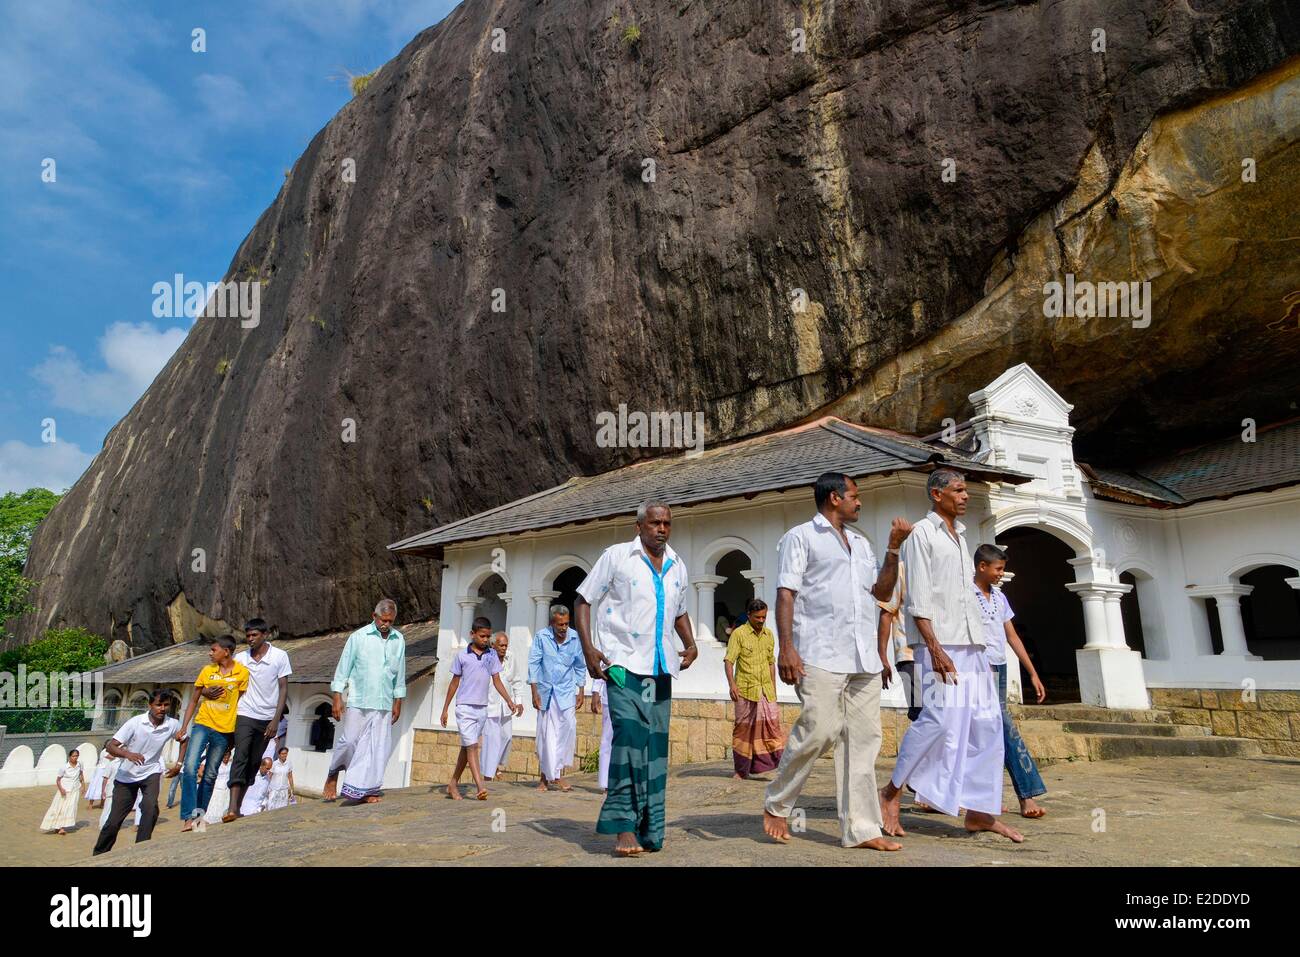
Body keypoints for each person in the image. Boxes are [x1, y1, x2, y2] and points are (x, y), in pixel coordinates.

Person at [761, 473, 908, 850]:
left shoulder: (861, 544)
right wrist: (786, 648)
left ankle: (862, 829)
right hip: (819, 652)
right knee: (819, 729)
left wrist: (893, 550)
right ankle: (778, 801)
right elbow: (786, 594)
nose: (859, 503)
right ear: (833, 498)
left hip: (862, 657)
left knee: (863, 742)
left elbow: (882, 593)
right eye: (854, 497)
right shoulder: (801, 537)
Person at [881, 469, 1022, 842]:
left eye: (965, 490)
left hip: (974, 644)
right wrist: (935, 648)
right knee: (939, 721)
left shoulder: (961, 537)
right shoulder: (921, 536)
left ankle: (979, 813)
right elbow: (919, 599)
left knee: (988, 724)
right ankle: (890, 794)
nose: (965, 496)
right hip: (940, 645)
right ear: (936, 494)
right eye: (958, 490)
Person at [575, 501, 698, 857]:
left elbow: (680, 611)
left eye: (667, 524)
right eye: (656, 523)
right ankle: (623, 826)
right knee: (629, 739)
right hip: (622, 665)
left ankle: (650, 826)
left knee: (653, 750)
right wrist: (588, 649)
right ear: (640, 525)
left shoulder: (678, 565)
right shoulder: (616, 557)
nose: (662, 529)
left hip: (660, 670)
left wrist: (690, 643)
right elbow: (583, 599)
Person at [974, 543, 1049, 818]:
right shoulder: (966, 595)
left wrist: (1032, 672)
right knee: (996, 729)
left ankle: (989, 797)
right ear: (982, 566)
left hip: (999, 666)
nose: (1001, 574)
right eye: (998, 569)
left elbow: (1012, 635)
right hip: (976, 668)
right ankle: (1025, 793)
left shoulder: (1000, 598)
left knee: (997, 728)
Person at [324, 599, 407, 804]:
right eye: (383, 620)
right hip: (359, 700)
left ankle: (368, 789)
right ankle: (333, 773)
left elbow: (400, 673)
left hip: (384, 702)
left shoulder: (399, 639)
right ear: (374, 616)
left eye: (390, 621)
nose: (386, 624)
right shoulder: (358, 637)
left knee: (378, 748)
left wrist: (398, 700)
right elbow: (344, 668)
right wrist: (337, 696)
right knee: (350, 741)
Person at [92, 690, 182, 855]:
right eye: (158, 705)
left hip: (151, 772)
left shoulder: (172, 724)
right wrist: (128, 754)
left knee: (150, 809)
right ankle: (98, 854)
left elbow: (184, 740)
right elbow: (111, 745)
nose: (162, 708)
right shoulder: (135, 723)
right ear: (150, 705)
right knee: (113, 821)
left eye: (166, 705)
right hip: (126, 776)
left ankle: (141, 850)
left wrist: (179, 764)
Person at [440, 618, 521, 799]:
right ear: (473, 634)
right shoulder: (462, 656)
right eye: (482, 636)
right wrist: (445, 709)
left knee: (467, 747)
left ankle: (453, 784)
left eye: (487, 636)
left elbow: (497, 680)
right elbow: (454, 684)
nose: (485, 640)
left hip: (482, 708)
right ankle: (480, 786)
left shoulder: (491, 656)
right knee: (473, 747)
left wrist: (509, 700)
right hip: (465, 708)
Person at [176, 635, 249, 831]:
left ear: (226, 651)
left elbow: (239, 702)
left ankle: (198, 816)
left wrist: (235, 736)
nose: (210, 653)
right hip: (203, 722)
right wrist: (184, 727)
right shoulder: (207, 671)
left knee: (209, 775)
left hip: (225, 729)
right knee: (190, 767)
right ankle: (187, 817)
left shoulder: (242, 673)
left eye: (213, 650)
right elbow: (194, 699)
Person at [227, 618, 292, 822]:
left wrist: (275, 720)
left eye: (254, 635)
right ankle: (231, 808)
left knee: (254, 761)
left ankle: (237, 808)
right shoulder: (240, 658)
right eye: (247, 636)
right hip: (245, 713)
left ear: (265, 635)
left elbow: (283, 689)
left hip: (266, 718)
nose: (250, 639)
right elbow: (231, 683)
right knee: (241, 756)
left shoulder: (280, 656)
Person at [725, 598, 786, 780]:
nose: (761, 620)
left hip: (766, 690)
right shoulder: (739, 634)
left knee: (772, 727)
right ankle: (741, 770)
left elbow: (771, 663)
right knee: (743, 729)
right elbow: (729, 661)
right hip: (744, 689)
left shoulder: (769, 635)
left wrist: (773, 690)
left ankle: (778, 766)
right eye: (758, 617)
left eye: (764, 617)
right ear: (749, 615)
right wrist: (732, 685)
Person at [529, 605, 587, 792]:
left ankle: (559, 774)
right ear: (552, 623)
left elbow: (580, 665)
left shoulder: (574, 637)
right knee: (546, 735)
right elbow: (534, 663)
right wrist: (534, 691)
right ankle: (545, 778)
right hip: (546, 693)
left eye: (566, 624)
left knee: (567, 730)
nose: (563, 628)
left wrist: (581, 691)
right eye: (560, 624)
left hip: (566, 692)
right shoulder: (541, 637)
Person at [876, 557, 922, 722]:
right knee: (920, 714)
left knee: (940, 715)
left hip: (939, 654)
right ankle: (910, 748)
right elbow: (887, 612)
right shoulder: (901, 570)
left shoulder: (939, 568)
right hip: (908, 655)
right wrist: (882, 657)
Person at [481, 631, 525, 780]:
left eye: (506, 645)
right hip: (490, 705)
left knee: (506, 737)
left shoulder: (510, 657)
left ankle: (494, 766)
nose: (504, 648)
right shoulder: (486, 658)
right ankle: (489, 773)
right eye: (501, 645)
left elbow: (516, 680)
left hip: (506, 706)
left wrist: (518, 701)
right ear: (493, 645)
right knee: (491, 739)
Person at [40, 748, 84, 835]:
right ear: (69, 757)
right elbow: (58, 780)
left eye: (77, 756)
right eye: (73, 756)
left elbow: (81, 775)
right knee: (60, 808)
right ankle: (58, 827)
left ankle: (61, 827)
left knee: (69, 808)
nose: (75, 758)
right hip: (64, 790)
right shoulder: (64, 767)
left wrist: (83, 786)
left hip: (74, 790)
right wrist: (61, 789)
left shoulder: (80, 765)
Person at [588, 674, 612, 792]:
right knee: (608, 739)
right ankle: (606, 782)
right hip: (611, 694)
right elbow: (600, 666)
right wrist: (596, 691)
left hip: (632, 695)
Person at [203, 751, 234, 825]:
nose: (226, 758)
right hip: (217, 786)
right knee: (215, 804)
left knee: (225, 803)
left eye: (227, 756)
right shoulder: (216, 764)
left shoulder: (231, 764)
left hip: (227, 787)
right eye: (224, 756)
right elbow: (202, 772)